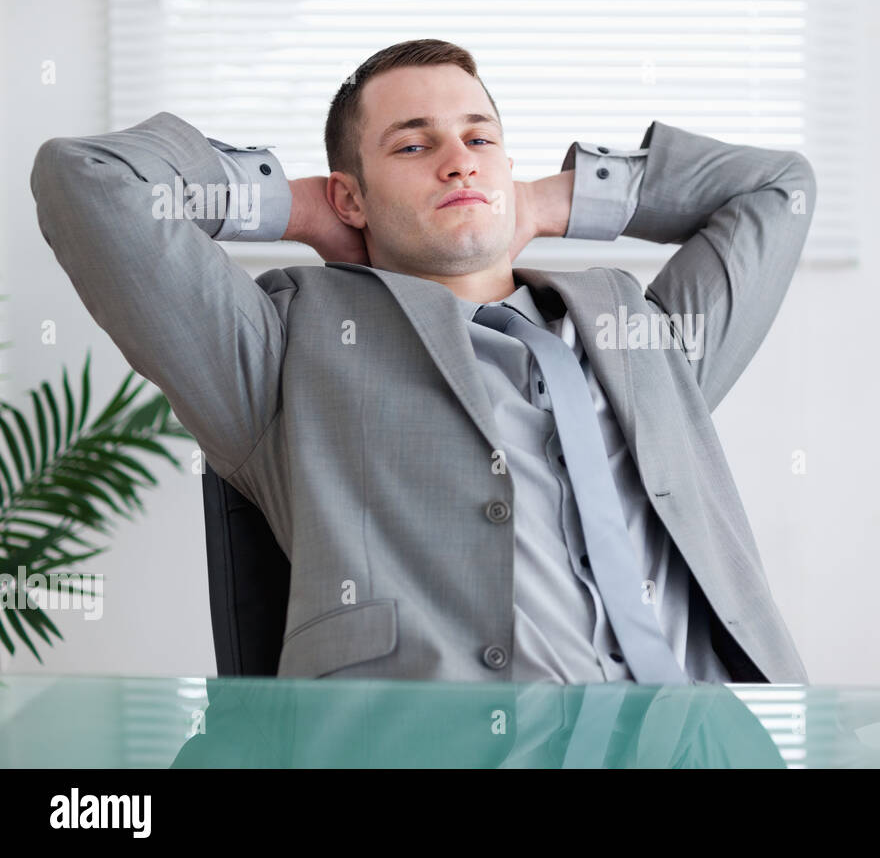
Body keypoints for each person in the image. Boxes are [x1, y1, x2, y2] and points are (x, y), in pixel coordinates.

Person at [29, 38, 817, 688]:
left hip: (719, 737)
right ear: (354, 198)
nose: (458, 161)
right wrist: (299, 207)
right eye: (413, 144)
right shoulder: (279, 347)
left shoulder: (637, 327)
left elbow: (779, 190)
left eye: (480, 139)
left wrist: (546, 203)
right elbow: (89, 182)